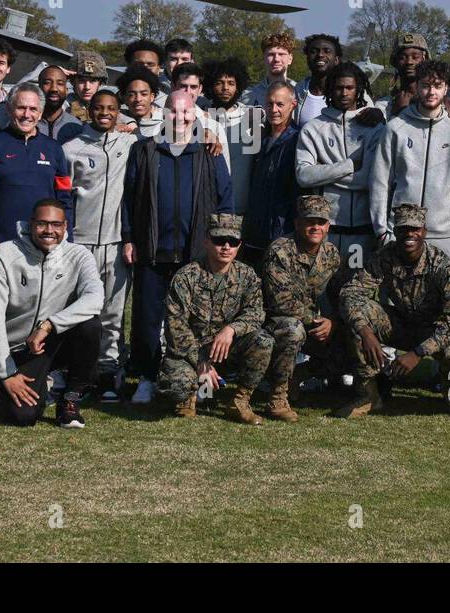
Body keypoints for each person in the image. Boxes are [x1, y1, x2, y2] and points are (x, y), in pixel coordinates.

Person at [122, 89, 233, 404]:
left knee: (199, 318)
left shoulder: (208, 152)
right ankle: (145, 376)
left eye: (187, 112)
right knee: (147, 318)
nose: (180, 118)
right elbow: (129, 199)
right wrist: (129, 237)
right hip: (152, 248)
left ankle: (203, 378)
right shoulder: (144, 151)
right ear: (163, 112)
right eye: (174, 111)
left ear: (195, 115)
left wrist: (222, 243)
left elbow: (226, 199)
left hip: (195, 253)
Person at [335, 204, 450, 417]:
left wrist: (418, 353)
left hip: (435, 331)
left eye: (415, 229)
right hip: (404, 325)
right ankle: (368, 395)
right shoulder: (385, 257)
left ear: (424, 232)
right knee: (358, 316)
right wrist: (366, 332)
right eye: (403, 229)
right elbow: (350, 293)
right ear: (396, 231)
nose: (409, 234)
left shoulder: (443, 265)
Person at [0, 198, 104, 428]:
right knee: (21, 417)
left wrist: (48, 325)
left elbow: (95, 298)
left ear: (65, 227)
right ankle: (37, 384)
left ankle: (70, 398)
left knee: (90, 326)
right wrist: (7, 374)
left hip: (49, 340)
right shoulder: (5, 253)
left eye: (56, 225)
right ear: (30, 224)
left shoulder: (79, 255)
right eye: (42, 224)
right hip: (15, 350)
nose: (49, 231)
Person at [159, 213, 270, 423]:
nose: (226, 246)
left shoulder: (247, 276)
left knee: (263, 341)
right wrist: (200, 362)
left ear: (239, 245)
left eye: (233, 242)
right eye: (219, 240)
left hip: (226, 352)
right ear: (207, 242)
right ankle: (190, 396)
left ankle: (239, 401)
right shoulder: (186, 276)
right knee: (178, 385)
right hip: (191, 354)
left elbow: (256, 312)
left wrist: (231, 329)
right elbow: (176, 328)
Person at [63, 88, 138, 402]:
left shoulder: (131, 144)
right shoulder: (71, 149)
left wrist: (212, 137)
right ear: (88, 110)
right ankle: (75, 371)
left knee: (113, 311)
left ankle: (108, 371)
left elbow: (171, 133)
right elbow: (64, 197)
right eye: (98, 108)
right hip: (80, 242)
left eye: (111, 108)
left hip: (116, 242)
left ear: (119, 112)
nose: (105, 113)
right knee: (77, 309)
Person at [368, 59, 450, 264]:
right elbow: (380, 182)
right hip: (402, 234)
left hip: (446, 237)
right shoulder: (395, 128)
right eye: (426, 85)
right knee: (398, 295)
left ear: (446, 88)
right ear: (417, 87)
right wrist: (382, 231)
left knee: (446, 297)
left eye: (437, 86)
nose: (431, 92)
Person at [260, 195, 347, 420]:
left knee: (354, 336)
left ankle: (298, 377)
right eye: (309, 221)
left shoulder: (331, 254)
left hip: (318, 325)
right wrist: (320, 321)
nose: (315, 227)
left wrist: (334, 322)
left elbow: (341, 295)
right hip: (278, 325)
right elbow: (281, 302)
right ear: (298, 223)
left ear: (328, 226)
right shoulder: (279, 250)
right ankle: (277, 398)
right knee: (292, 329)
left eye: (321, 222)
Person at [0, 82, 73, 264]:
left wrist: (66, 238)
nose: (27, 115)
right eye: (21, 108)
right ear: (9, 109)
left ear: (40, 113)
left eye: (33, 109)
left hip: (44, 244)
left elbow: (65, 199)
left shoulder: (54, 149)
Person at [295, 62, 385, 265]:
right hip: (324, 232)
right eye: (338, 88)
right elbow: (304, 176)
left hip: (362, 233)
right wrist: (351, 164)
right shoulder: (313, 128)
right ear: (330, 89)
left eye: (349, 88)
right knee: (322, 292)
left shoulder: (373, 128)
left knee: (355, 289)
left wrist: (324, 175)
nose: (344, 93)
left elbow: (368, 180)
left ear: (358, 89)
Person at [241, 80, 300, 263]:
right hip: (254, 233)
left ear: (293, 105)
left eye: (280, 104)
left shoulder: (298, 140)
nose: (274, 109)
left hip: (282, 236)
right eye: (270, 103)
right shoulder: (260, 140)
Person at [205, 57, 262, 211]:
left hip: (245, 206)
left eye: (231, 83)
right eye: (219, 83)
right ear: (210, 86)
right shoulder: (202, 117)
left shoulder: (252, 116)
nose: (225, 88)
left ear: (238, 86)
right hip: (210, 205)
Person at [374, 33, 430, 119]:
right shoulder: (384, 105)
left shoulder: (436, 99)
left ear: (424, 59)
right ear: (395, 62)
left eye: (415, 57)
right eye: (402, 58)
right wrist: (396, 114)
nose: (409, 62)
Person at [295, 34, 342, 126]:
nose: (320, 55)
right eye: (313, 51)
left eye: (327, 51)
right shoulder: (296, 91)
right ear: (307, 59)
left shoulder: (351, 92)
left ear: (336, 60)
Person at [243, 32, 297, 106]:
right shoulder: (249, 96)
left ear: (290, 58)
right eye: (271, 54)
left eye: (281, 54)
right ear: (264, 58)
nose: (276, 59)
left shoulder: (299, 93)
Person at [35, 64, 85, 141]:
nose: (54, 89)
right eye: (47, 82)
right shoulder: (27, 121)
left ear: (67, 91)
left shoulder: (76, 126)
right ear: (38, 89)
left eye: (60, 83)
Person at [117, 64, 165, 139]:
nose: (138, 99)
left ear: (152, 97)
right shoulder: (114, 119)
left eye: (144, 94)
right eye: (131, 94)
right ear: (124, 98)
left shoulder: (165, 121)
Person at [66, 49, 108, 124]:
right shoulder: (63, 105)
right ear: (73, 82)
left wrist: (129, 122)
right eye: (82, 80)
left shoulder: (105, 105)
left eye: (93, 81)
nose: (87, 87)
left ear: (100, 83)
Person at [124, 39, 168, 108]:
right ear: (128, 66)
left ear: (158, 69)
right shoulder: (112, 100)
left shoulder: (167, 102)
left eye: (150, 64)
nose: (144, 69)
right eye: (138, 64)